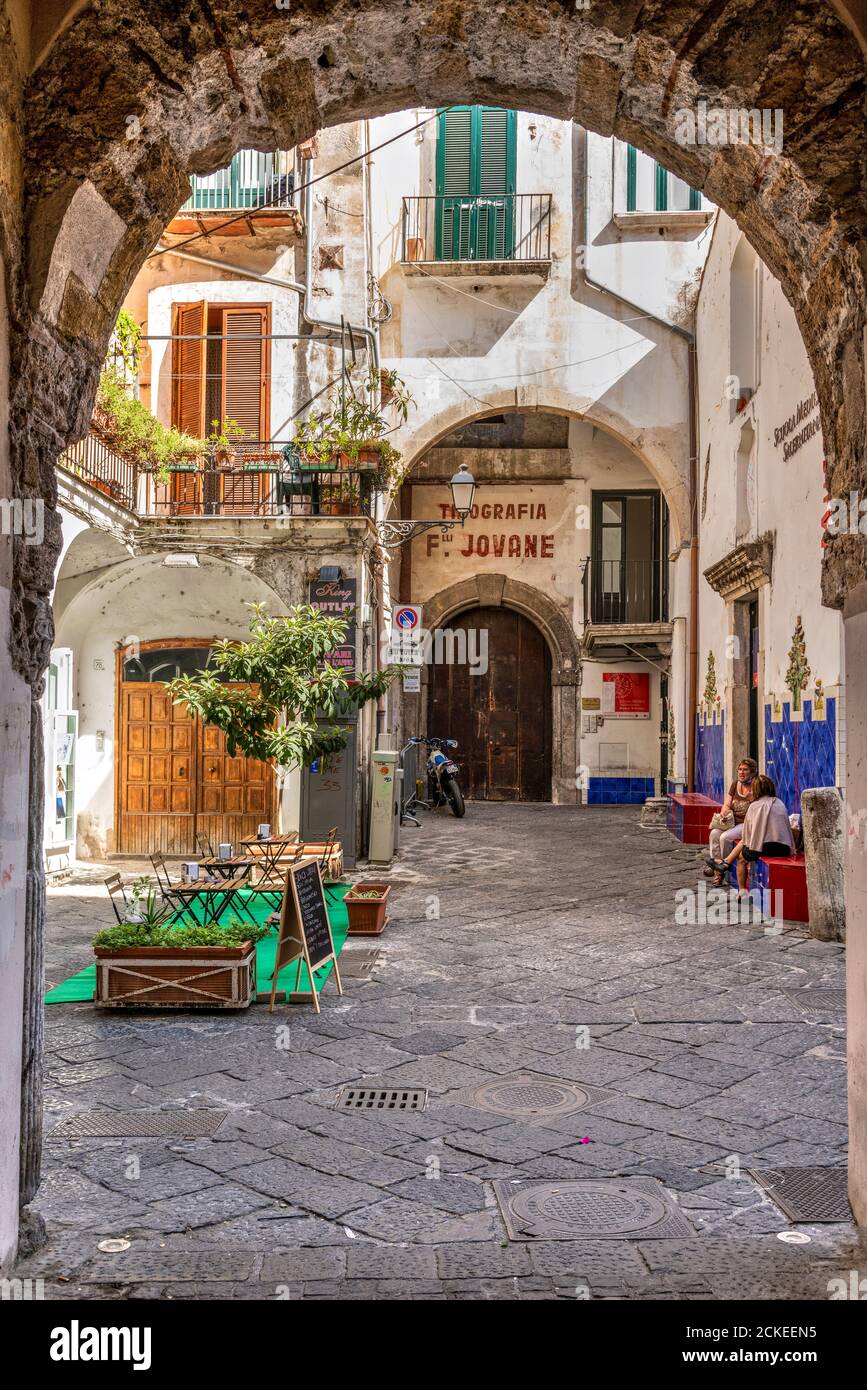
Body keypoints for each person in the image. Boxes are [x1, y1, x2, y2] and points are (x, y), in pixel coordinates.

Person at [708, 774, 795, 892]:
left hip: (764, 848)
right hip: (783, 847)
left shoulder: (755, 806)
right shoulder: (779, 803)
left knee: (741, 859)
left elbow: (747, 836)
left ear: (756, 790)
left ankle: (742, 890)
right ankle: (725, 863)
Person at [706, 756, 757, 887]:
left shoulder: (756, 786)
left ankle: (720, 873)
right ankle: (716, 865)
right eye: (739, 769)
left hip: (746, 824)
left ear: (752, 772)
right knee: (714, 834)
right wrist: (724, 813)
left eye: (745, 770)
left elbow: (758, 809)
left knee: (725, 837)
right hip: (732, 821)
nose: (741, 772)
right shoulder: (735, 784)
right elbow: (727, 804)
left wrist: (751, 798)